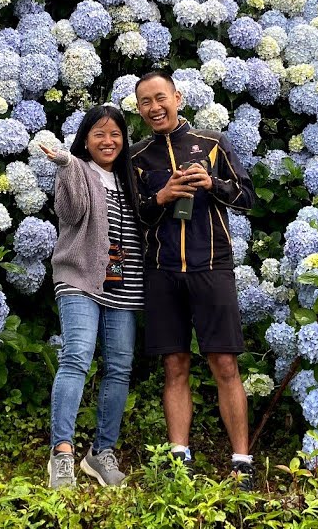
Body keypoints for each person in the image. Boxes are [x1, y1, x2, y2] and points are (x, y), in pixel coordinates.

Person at [129, 69, 257, 487]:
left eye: (160, 97)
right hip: (163, 270)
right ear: (138, 108)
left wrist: (213, 183)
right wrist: (161, 197)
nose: (154, 107)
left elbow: (248, 198)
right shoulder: (136, 156)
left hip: (211, 265)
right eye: (145, 102)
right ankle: (179, 456)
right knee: (175, 364)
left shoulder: (214, 143)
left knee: (224, 362)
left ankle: (242, 460)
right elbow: (136, 216)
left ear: (178, 97)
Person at [41, 104, 145, 489]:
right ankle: (62, 454)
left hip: (125, 284)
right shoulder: (78, 169)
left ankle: (101, 453)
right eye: (99, 133)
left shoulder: (129, 177)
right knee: (77, 357)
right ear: (86, 138)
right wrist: (66, 165)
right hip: (80, 277)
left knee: (119, 368)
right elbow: (70, 213)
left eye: (115, 133)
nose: (108, 140)